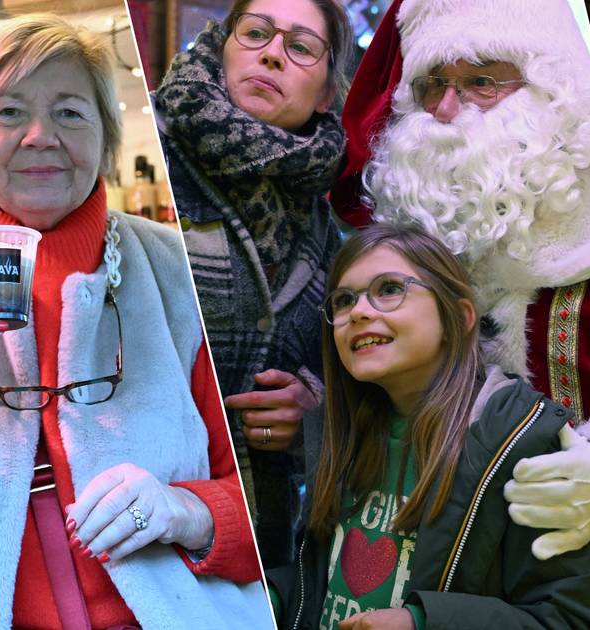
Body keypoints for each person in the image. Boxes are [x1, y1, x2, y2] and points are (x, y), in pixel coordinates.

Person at [0, 14, 265, 629]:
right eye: (9, 112)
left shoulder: (178, 269)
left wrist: (186, 511)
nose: (40, 135)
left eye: (70, 112)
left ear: (107, 137)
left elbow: (263, 517)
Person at [332, 1, 590, 628]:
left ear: (553, 88)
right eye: (432, 86)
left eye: (482, 81)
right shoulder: (418, 245)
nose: (449, 108)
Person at [267, 224, 590, 630]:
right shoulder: (339, 435)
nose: (357, 312)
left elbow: (573, 619)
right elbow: (317, 580)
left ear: (458, 318)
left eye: (389, 289)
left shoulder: (521, 443)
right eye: (343, 300)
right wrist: (270, 597)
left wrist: (422, 622)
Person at [152, 0, 353, 565]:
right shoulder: (159, 149)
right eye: (257, 33)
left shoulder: (323, 218)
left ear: (325, 93)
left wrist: (310, 411)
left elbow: (341, 367)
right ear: (224, 48)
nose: (272, 55)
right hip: (147, 505)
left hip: (262, 542)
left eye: (301, 47)